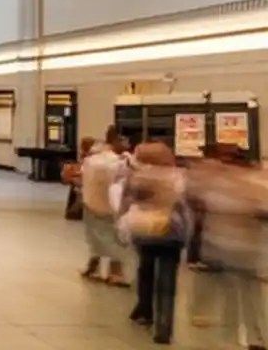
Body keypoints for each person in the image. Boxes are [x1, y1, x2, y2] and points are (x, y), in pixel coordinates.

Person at [189, 143, 267, 350]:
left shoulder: (240, 182)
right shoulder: (231, 182)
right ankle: (245, 338)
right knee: (239, 297)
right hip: (231, 247)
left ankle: (249, 338)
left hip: (236, 248)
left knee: (243, 297)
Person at [122, 142, 189, 345]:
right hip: (171, 231)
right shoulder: (179, 176)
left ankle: (145, 310)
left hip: (144, 231)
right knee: (167, 282)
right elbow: (186, 207)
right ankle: (164, 328)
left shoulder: (136, 177)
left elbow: (125, 202)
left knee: (145, 270)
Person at [79, 139, 129, 286]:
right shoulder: (120, 162)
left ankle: (94, 268)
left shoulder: (90, 162)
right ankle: (114, 272)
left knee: (95, 238)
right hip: (114, 207)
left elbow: (83, 180)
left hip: (92, 205)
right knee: (115, 239)